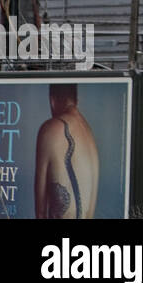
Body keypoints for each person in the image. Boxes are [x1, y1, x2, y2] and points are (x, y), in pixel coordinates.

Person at [34, 83, 99, 219]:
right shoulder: (89, 134)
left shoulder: (51, 128)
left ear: (52, 100)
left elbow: (40, 213)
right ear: (76, 100)